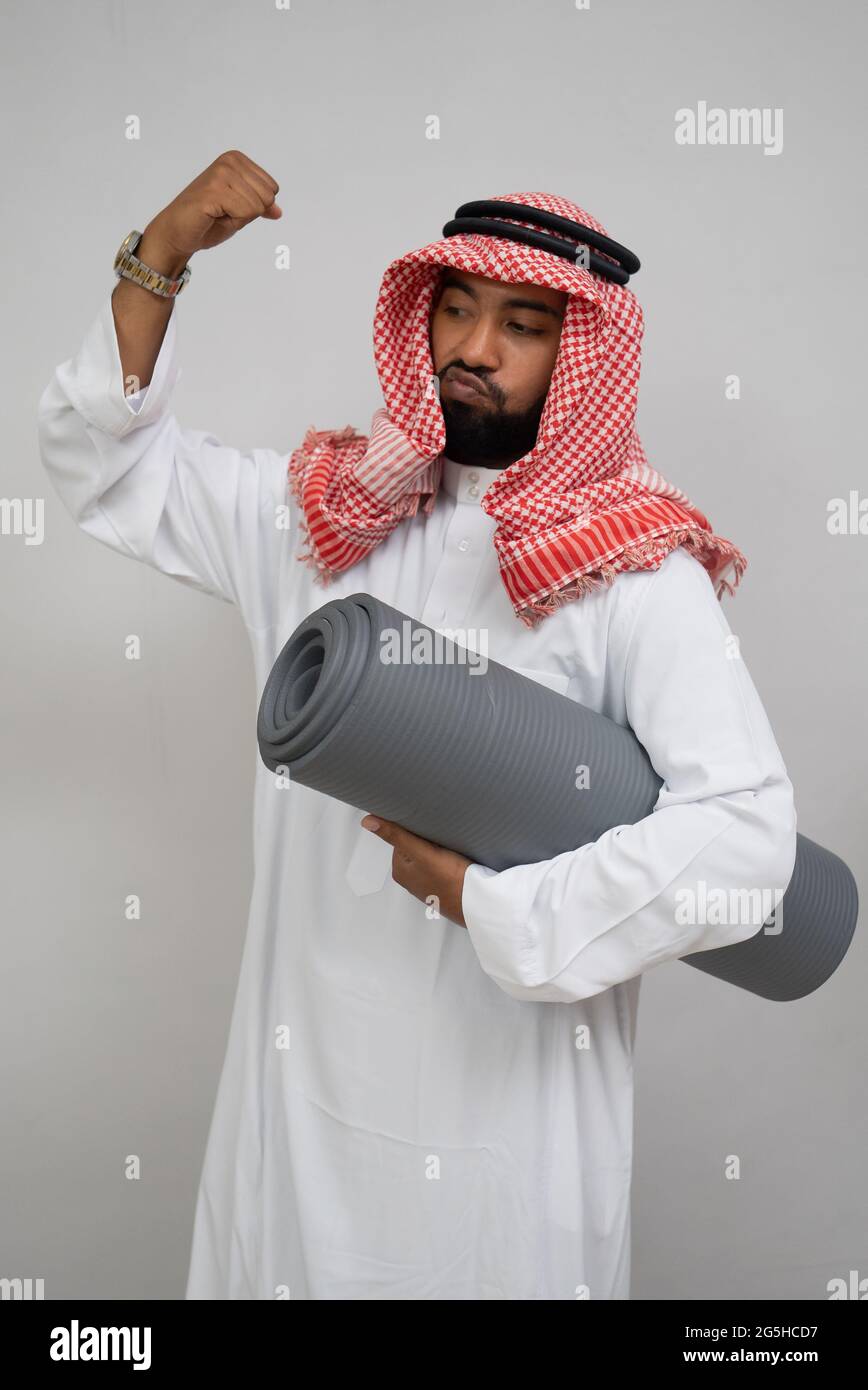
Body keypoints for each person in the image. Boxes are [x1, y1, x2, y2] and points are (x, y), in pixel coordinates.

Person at [37, 151, 797, 1300]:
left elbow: (744, 835)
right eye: (454, 309)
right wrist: (165, 249)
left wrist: (489, 903)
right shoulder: (329, 518)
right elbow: (109, 467)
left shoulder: (633, 573)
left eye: (522, 325)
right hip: (300, 1114)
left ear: (579, 353)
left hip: (509, 1133)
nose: (473, 348)